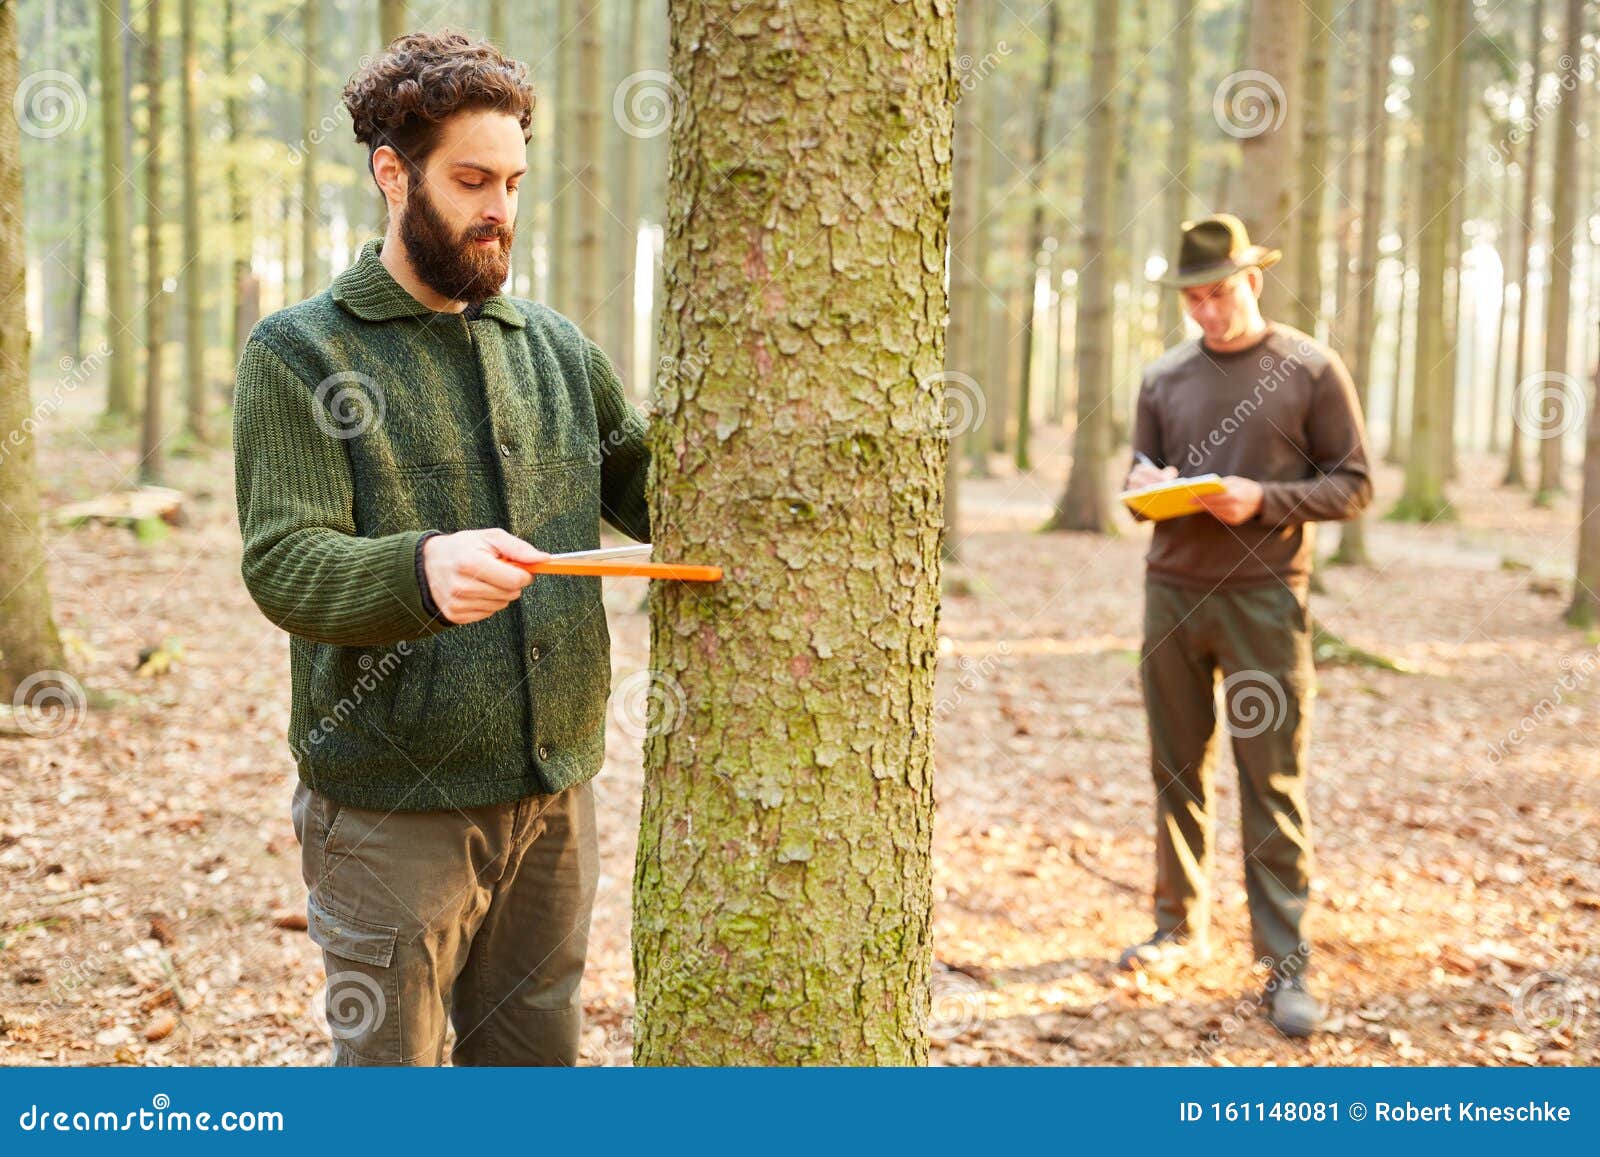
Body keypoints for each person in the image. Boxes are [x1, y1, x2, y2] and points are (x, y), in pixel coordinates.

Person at [232, 30, 650, 1065]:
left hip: (554, 796)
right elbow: (285, 559)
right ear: (392, 173)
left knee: (533, 1070)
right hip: (388, 810)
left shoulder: (554, 346)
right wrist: (416, 567)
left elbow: (657, 491)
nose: (499, 207)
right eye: (471, 179)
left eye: (511, 180)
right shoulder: (301, 350)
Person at [1119, 213, 1373, 1039]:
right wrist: (1146, 481)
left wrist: (1264, 499)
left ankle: (1284, 966)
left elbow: (1355, 484)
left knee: (1270, 780)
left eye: (1219, 293)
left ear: (1253, 280)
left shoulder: (1309, 367)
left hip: (1266, 599)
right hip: (1171, 595)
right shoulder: (1163, 377)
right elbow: (1136, 471)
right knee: (1174, 768)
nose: (1207, 311)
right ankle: (1174, 923)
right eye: (1193, 298)